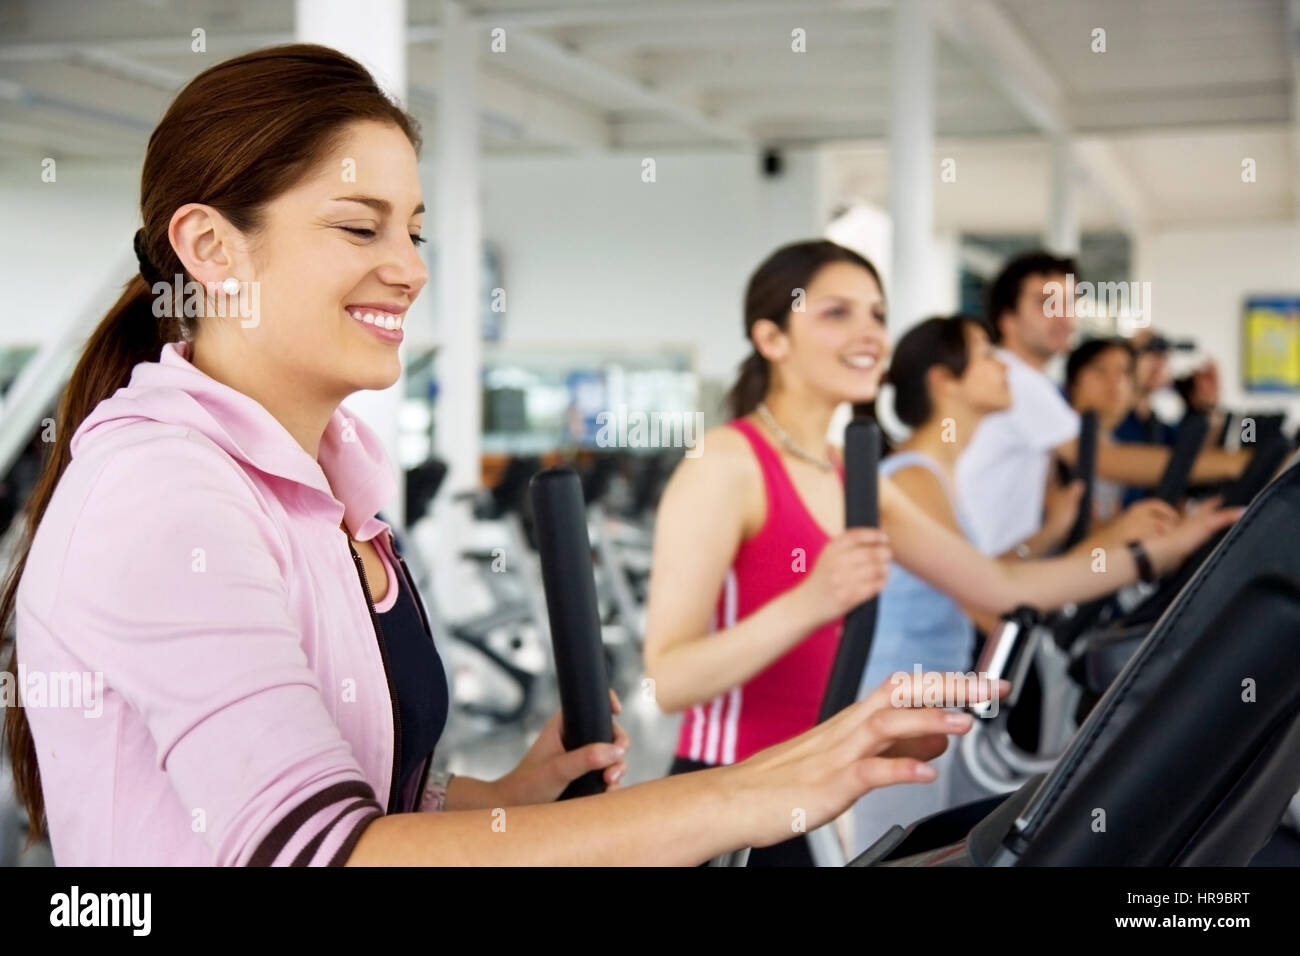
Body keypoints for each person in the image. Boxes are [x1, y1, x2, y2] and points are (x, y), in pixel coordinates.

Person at [0, 45, 981, 867]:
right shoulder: (163, 492)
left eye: (416, 230)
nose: (412, 266)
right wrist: (759, 792)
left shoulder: (329, 490)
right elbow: (323, 852)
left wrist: (512, 794)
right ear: (211, 248)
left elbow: (367, 792)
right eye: (360, 226)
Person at [643, 242, 1240, 864]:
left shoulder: (858, 476)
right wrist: (810, 601)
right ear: (772, 337)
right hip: (723, 796)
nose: (870, 333)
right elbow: (668, 680)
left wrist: (1162, 551)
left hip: (811, 792)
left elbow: (1003, 588)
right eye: (836, 313)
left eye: (876, 314)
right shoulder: (726, 462)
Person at [956, 252, 1249, 557]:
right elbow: (1102, 459)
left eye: (1070, 303)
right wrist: (1237, 463)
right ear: (1008, 319)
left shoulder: (1025, 381)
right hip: (975, 575)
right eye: (1046, 303)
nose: (1063, 315)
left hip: (993, 565)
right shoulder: (1014, 378)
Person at [1066, 338, 1139, 523]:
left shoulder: (1111, 440)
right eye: (1101, 370)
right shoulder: (1061, 439)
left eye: (1125, 372)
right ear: (1073, 382)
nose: (1116, 382)